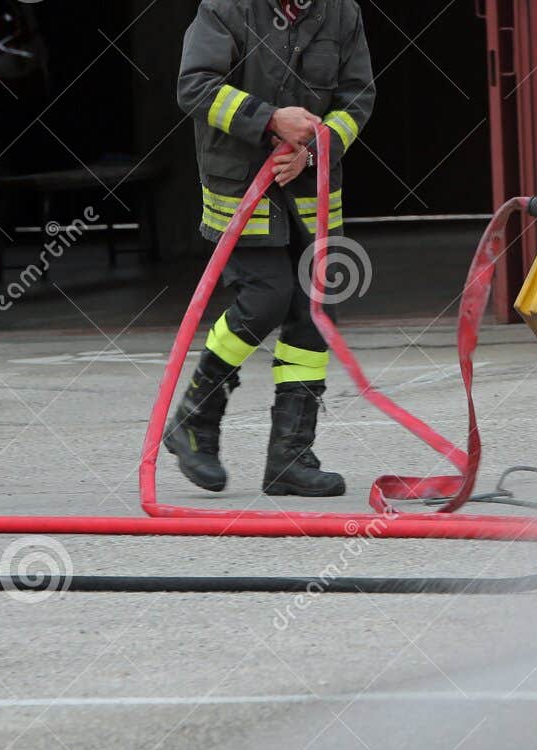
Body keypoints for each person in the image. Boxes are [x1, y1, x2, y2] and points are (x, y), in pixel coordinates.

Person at [166, 0, 375, 497]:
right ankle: (196, 419)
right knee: (265, 298)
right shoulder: (224, 9)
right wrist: (269, 120)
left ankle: (291, 458)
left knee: (313, 311)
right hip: (242, 189)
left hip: (311, 188)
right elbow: (195, 87)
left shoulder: (342, 13)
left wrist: (315, 147)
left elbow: (358, 97)